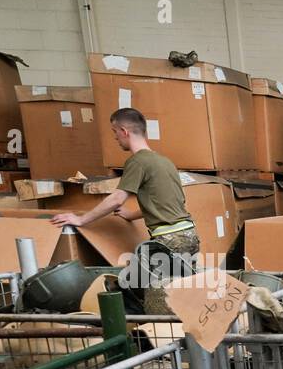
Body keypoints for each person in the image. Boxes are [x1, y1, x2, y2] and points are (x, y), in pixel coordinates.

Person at [51, 107, 199, 263]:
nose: (115, 138)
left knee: (145, 285)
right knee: (182, 285)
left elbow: (117, 199)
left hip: (169, 241)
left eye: (115, 132)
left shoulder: (137, 161)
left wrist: (80, 220)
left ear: (124, 131)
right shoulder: (165, 162)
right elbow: (166, 203)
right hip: (189, 236)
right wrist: (131, 215)